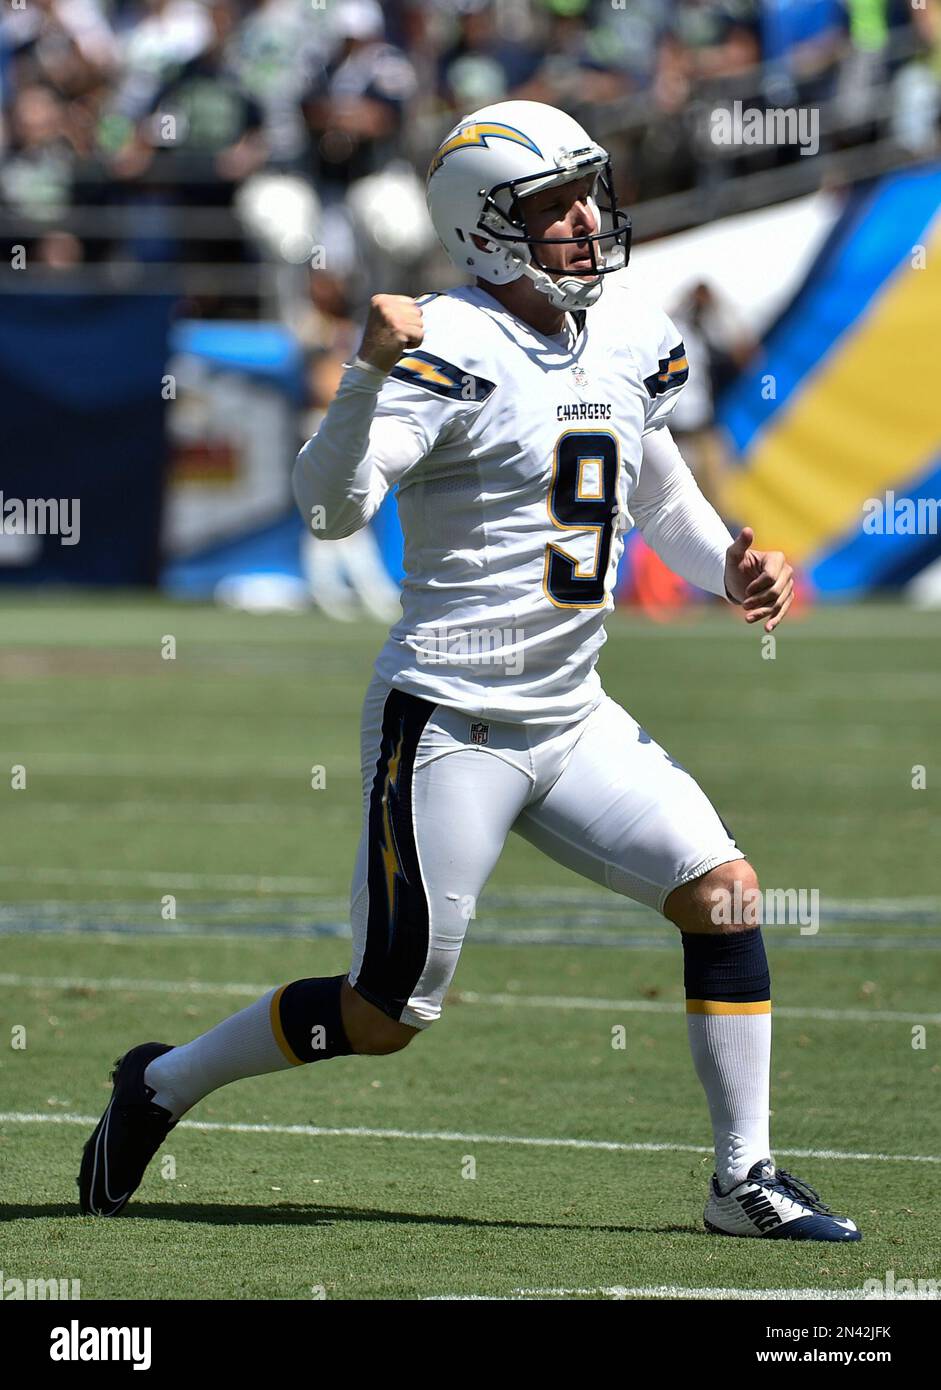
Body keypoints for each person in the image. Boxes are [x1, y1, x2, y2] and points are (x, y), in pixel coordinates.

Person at [78, 99, 859, 1242]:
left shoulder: (631, 331)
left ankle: (741, 1178)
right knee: (384, 1012)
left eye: (586, 192)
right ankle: (162, 1082)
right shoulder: (445, 340)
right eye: (551, 204)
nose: (583, 219)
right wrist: (363, 374)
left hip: (573, 712)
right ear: (483, 229)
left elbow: (656, 501)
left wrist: (728, 562)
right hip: (450, 721)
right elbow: (328, 507)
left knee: (722, 892)